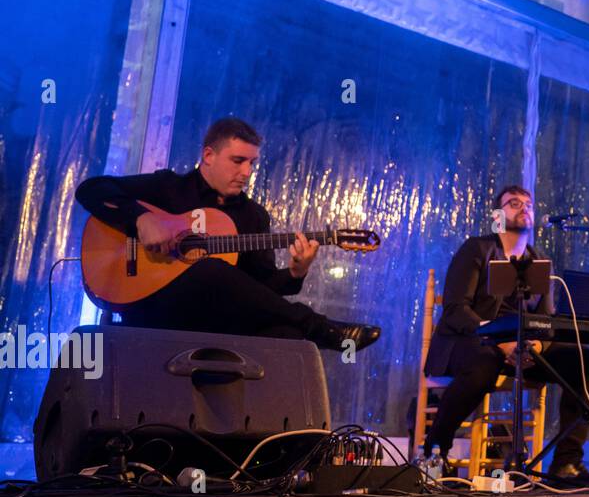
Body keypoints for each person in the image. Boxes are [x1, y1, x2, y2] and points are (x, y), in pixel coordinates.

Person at [74, 116, 381, 351]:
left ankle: (269, 434)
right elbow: (92, 189)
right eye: (238, 161)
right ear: (209, 155)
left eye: (252, 163)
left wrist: (295, 273)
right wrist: (141, 219)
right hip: (154, 307)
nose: (247, 172)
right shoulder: (169, 188)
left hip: (215, 319)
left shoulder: (253, 215)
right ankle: (321, 328)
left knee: (287, 336)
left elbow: (259, 288)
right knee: (209, 268)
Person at [423, 185, 589, 479]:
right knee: (484, 363)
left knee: (586, 361)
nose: (524, 208)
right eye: (513, 203)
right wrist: (498, 340)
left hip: (522, 348)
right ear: (498, 215)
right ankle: (435, 450)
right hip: (472, 341)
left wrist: (537, 348)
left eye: (528, 204)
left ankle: (566, 462)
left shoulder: (540, 260)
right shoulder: (477, 249)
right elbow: (456, 308)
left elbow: (545, 321)